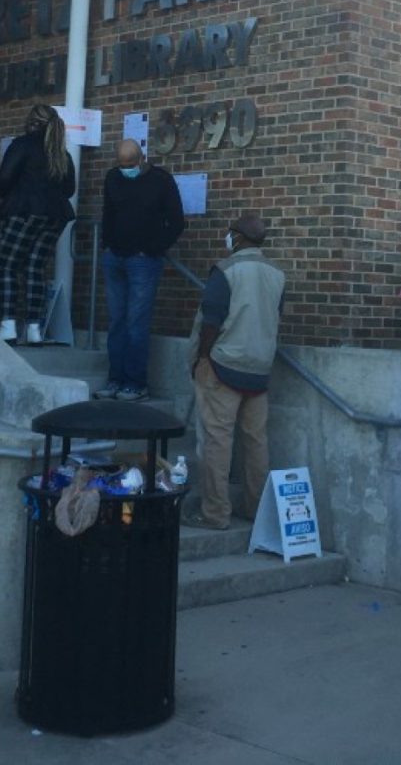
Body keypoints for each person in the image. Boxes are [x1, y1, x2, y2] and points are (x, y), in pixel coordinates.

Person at [182, 212, 286, 531]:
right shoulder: (277, 274)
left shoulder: (226, 270)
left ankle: (215, 513)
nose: (227, 236)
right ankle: (256, 509)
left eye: (230, 232)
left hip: (222, 365)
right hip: (260, 369)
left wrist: (201, 359)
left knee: (218, 440)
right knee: (256, 442)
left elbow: (211, 320)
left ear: (238, 237)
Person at [97, 139, 186, 401]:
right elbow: (108, 214)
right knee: (117, 322)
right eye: (122, 165)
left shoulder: (161, 180)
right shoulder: (113, 178)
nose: (126, 170)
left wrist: (153, 248)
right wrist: (107, 245)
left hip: (143, 260)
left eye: (130, 165)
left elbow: (177, 221)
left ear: (141, 158)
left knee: (136, 324)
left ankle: (135, 383)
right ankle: (115, 379)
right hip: (115, 257)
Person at [0, 104, 75, 345]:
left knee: (6, 264)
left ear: (31, 121)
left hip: (23, 210)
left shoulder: (23, 144)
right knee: (35, 268)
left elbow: (5, 178)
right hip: (55, 216)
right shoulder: (61, 153)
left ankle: (8, 326)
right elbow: (70, 189)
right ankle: (34, 329)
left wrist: (7, 193)